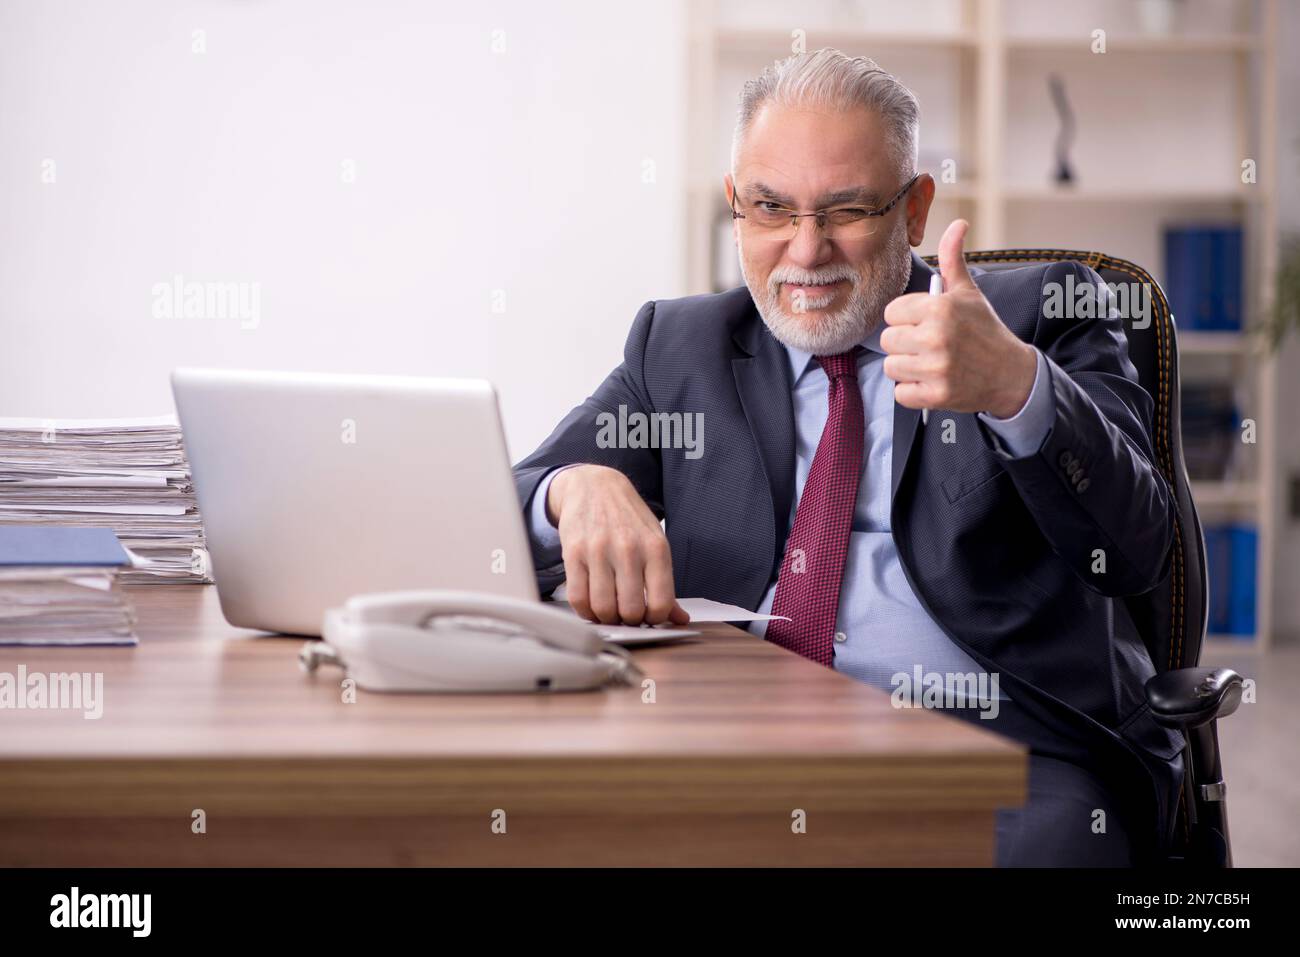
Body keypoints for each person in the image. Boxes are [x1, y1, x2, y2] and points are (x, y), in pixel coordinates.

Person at [513, 49, 1183, 866]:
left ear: (914, 211)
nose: (805, 251)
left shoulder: (1038, 316)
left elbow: (1141, 547)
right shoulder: (680, 345)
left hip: (1003, 753)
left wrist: (1016, 387)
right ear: (736, 208)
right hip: (728, 741)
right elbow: (511, 496)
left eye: (845, 209)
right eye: (770, 208)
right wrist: (574, 488)